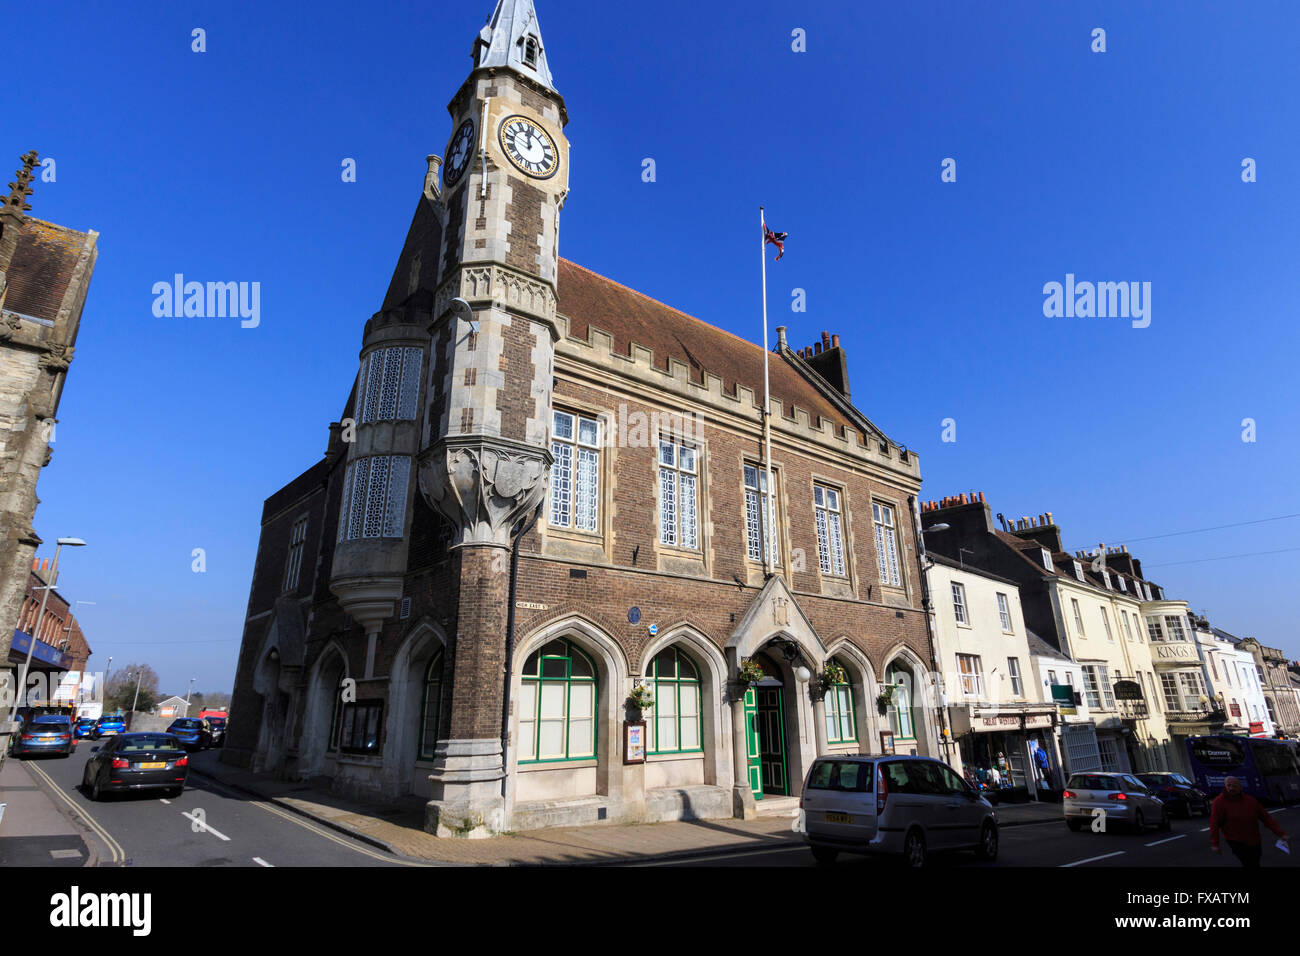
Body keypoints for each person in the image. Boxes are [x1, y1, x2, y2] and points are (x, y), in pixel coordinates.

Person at [1209, 776, 1289, 867]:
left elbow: (1266, 818)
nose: (1231, 788)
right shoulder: (1218, 802)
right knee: (1249, 862)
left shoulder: (1250, 801)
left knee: (1255, 860)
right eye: (1229, 785)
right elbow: (1214, 823)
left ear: (1240, 787)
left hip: (1254, 838)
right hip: (1235, 840)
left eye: (1234, 786)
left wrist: (1280, 833)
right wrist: (1215, 843)